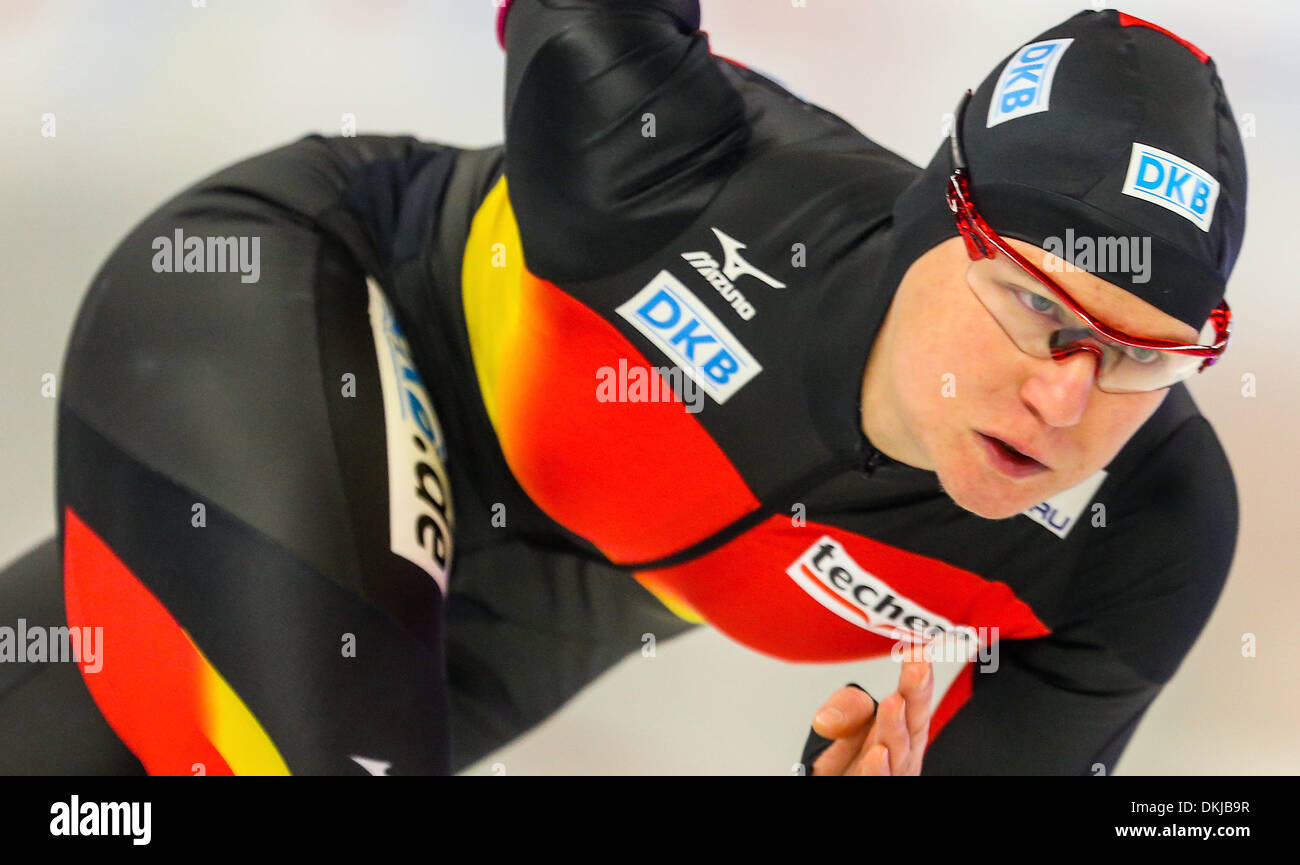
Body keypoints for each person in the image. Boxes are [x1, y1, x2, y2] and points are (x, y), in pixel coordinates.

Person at [0, 2, 1246, 775]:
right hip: (331, 311)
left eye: (1142, 353)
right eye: (1036, 307)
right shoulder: (674, 163)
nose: (1065, 401)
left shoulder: (1145, 533)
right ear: (936, 214)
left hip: (548, 593)